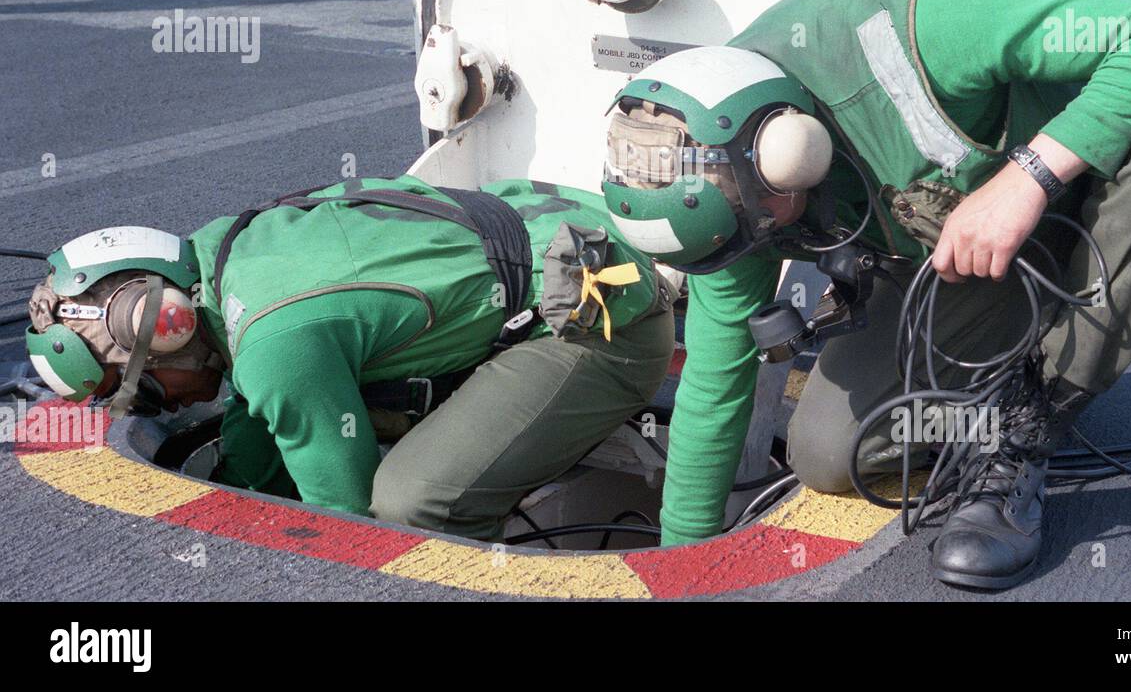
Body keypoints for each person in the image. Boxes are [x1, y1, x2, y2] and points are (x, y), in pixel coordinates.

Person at [601, 0, 1131, 589]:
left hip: (1105, 177)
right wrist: (678, 569)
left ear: (788, 148)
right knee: (828, 453)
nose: (765, 241)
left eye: (767, 220)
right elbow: (717, 382)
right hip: (973, 251)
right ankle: (1029, 361)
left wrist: (1027, 178)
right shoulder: (721, 192)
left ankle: (1024, 431)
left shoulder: (926, 19)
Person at [24, 178, 675, 540]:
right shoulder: (230, 253)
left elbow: (349, 534)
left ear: (163, 327)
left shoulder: (276, 342)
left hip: (600, 318)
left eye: (139, 393)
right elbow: (257, 434)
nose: (167, 406)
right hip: (568, 226)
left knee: (411, 505)